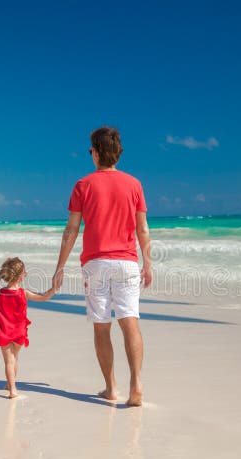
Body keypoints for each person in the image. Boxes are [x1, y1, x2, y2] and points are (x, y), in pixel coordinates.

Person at [51, 126, 152, 407]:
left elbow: (72, 229)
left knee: (101, 327)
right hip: (128, 263)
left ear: (95, 153)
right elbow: (142, 229)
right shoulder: (134, 184)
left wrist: (60, 266)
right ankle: (137, 385)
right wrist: (148, 263)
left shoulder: (83, 185)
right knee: (130, 321)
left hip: (96, 264)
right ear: (117, 153)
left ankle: (111, 388)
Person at [0, 257, 55, 399]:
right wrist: (54, 288)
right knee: (15, 359)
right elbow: (43, 297)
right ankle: (11, 384)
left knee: (9, 361)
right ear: (21, 276)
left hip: (4, 331)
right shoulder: (23, 292)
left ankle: (12, 389)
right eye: (24, 272)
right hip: (19, 331)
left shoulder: (0, 293)